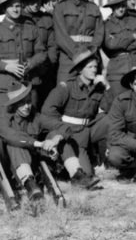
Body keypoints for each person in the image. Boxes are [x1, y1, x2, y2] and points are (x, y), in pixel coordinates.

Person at [41, 46, 108, 188]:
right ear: (79, 70)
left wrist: (106, 86)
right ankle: (58, 166)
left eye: (95, 66)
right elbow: (47, 112)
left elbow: (112, 109)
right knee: (84, 174)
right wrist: (61, 128)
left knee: (110, 119)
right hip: (67, 134)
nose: (94, 70)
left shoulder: (98, 88)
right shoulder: (66, 87)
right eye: (89, 67)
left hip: (85, 134)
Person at [0, 0, 46, 122]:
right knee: (4, 122)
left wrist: (30, 64)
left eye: (17, 6)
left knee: (31, 122)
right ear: (4, 8)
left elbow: (41, 53)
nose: (15, 9)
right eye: (11, 6)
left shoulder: (30, 28)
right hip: (5, 85)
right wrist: (6, 67)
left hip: (28, 83)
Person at [0, 81, 65, 201]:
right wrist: (39, 144)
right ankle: (30, 185)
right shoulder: (4, 119)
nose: (26, 106)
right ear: (13, 105)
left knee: (53, 133)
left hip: (34, 161)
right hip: (14, 165)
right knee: (16, 144)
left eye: (28, 101)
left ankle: (35, 184)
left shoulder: (35, 116)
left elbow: (62, 127)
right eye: (22, 103)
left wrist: (53, 141)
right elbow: (13, 137)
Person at [53, 0, 104, 83]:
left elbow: (99, 35)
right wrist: (79, 54)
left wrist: (89, 55)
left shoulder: (94, 8)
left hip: (91, 61)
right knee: (65, 95)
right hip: (69, 61)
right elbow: (61, 37)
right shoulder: (61, 7)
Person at [101, 0, 136, 98]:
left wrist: (121, 44)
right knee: (120, 103)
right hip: (118, 71)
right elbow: (110, 45)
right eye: (118, 6)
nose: (121, 9)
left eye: (123, 5)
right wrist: (132, 36)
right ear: (112, 7)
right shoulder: (106, 25)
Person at [20, 0, 57, 110]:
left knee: (47, 108)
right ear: (24, 2)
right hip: (28, 74)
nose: (36, 4)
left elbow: (52, 46)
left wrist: (46, 66)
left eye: (38, 0)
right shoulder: (19, 21)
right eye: (31, 1)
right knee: (30, 109)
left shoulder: (47, 19)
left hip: (47, 72)